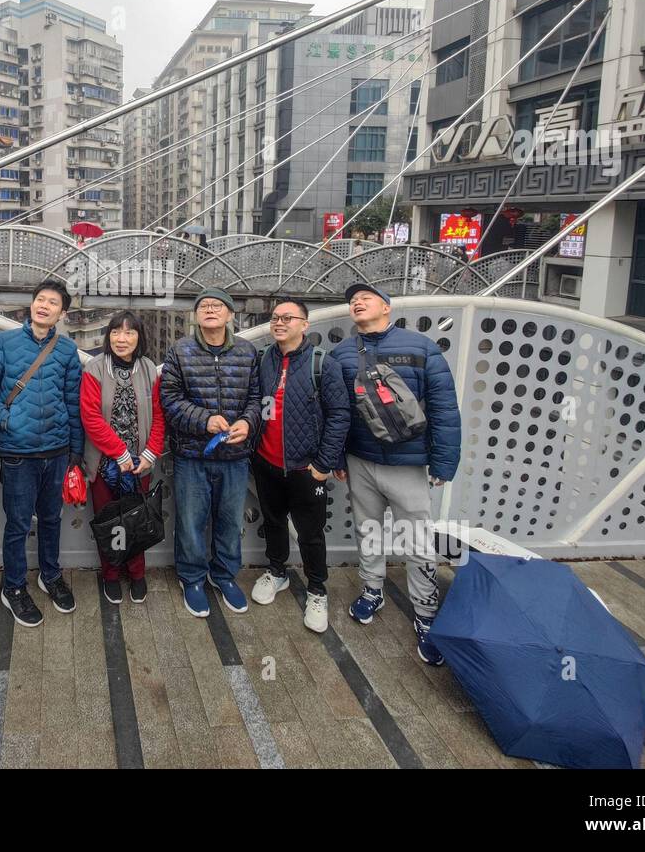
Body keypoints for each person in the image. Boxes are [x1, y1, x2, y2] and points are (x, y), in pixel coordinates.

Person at [330, 283, 461, 666]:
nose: (356, 301)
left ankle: (425, 611)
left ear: (387, 307)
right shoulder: (341, 353)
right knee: (367, 529)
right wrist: (337, 456)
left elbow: (444, 408)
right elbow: (337, 414)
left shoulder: (421, 347)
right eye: (352, 299)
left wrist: (443, 462)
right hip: (360, 459)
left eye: (366, 298)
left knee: (417, 538)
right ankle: (372, 589)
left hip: (408, 462)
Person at [0, 280, 83, 627]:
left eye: (53, 303)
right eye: (40, 299)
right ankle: (13, 588)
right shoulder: (5, 343)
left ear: (61, 313)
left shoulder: (67, 350)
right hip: (18, 452)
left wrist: (76, 451)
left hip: (56, 451)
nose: (44, 306)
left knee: (52, 519)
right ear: (31, 304)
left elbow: (73, 401)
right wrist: (5, 420)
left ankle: (50, 575)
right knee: (19, 523)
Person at [249, 297, 350, 633]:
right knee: (274, 521)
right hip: (266, 461)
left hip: (306, 468)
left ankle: (317, 590)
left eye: (288, 317)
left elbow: (339, 415)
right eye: (275, 317)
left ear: (305, 325)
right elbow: (254, 404)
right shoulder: (263, 359)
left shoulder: (323, 364)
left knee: (311, 532)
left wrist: (323, 464)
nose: (279, 322)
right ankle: (276, 571)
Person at [161, 287, 261, 618]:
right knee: (190, 521)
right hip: (192, 454)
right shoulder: (180, 351)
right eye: (204, 306)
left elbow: (256, 399)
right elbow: (170, 400)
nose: (211, 310)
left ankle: (224, 576)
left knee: (230, 521)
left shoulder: (247, 352)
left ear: (231, 315)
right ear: (196, 315)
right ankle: (191, 578)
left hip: (235, 456)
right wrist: (205, 421)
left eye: (218, 305)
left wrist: (247, 422)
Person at [80, 310, 165, 605]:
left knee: (138, 519)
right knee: (109, 522)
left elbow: (158, 417)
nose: (122, 338)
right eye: (116, 332)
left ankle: (137, 573)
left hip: (140, 463)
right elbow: (91, 417)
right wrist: (119, 453)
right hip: (105, 465)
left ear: (139, 337)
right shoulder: (94, 368)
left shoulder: (148, 368)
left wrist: (150, 453)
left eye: (129, 332)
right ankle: (111, 574)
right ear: (108, 336)